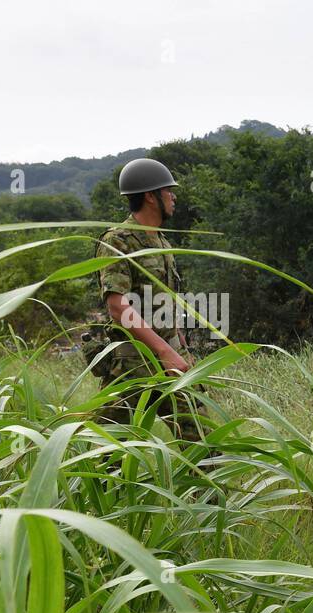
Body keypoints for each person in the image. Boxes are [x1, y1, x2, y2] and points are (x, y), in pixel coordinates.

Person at [86, 158, 203, 441]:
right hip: (133, 364)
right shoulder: (118, 240)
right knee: (109, 449)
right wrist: (164, 351)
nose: (174, 196)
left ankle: (206, 486)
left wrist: (180, 347)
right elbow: (118, 307)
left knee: (201, 439)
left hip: (170, 358)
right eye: (167, 191)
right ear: (150, 196)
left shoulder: (162, 242)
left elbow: (167, 303)